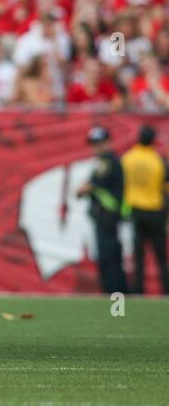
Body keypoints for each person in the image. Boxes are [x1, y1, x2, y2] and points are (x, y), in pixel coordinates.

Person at [78, 125, 127, 294]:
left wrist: (82, 189)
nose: (95, 147)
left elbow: (87, 187)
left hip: (108, 217)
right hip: (106, 217)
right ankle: (116, 300)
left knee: (109, 260)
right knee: (110, 259)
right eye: (93, 143)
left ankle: (116, 301)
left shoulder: (108, 162)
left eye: (99, 143)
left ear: (107, 143)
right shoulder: (106, 162)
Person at [120, 125, 169, 295]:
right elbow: (165, 188)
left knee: (138, 257)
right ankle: (166, 291)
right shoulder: (159, 160)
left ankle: (138, 291)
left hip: (135, 212)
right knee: (161, 257)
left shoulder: (127, 158)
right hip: (155, 211)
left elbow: (121, 184)